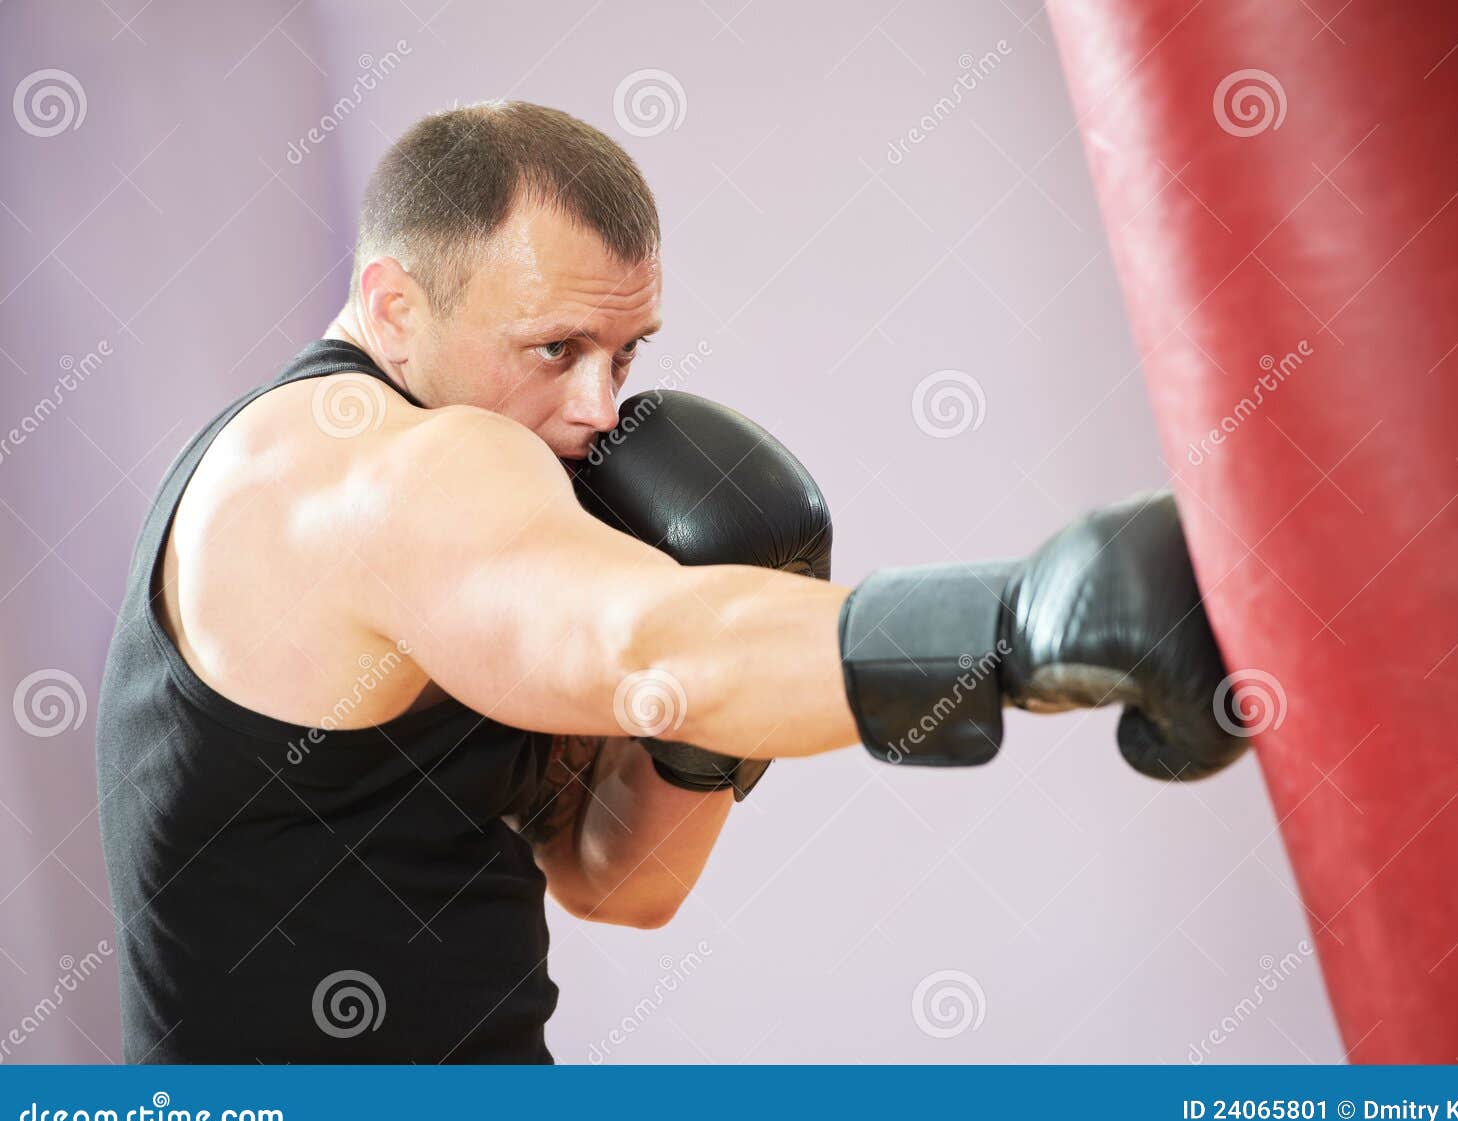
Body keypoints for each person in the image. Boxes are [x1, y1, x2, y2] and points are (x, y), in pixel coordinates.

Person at [96, 101, 1243, 1064]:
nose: (601, 407)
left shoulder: (426, 484)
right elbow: (647, 651)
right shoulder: (378, 464)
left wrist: (707, 732)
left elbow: (614, 881)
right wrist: (1019, 625)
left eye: (626, 353)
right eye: (555, 350)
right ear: (395, 305)